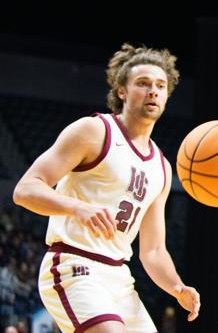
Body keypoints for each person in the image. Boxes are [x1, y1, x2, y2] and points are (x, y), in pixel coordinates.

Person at [13, 44, 200, 333]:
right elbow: (25, 189)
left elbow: (153, 250)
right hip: (74, 266)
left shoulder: (161, 167)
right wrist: (77, 207)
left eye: (160, 86)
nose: (153, 91)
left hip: (120, 279)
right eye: (143, 83)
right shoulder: (94, 131)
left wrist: (177, 286)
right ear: (122, 91)